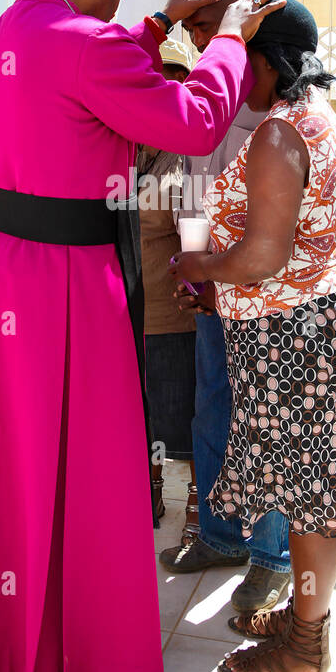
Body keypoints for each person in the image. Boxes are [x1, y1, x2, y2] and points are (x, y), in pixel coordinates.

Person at [0, 0, 284, 672]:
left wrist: (158, 19)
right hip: (64, 282)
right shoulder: (88, 49)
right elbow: (193, 118)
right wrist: (229, 38)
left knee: (11, 465)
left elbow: (81, 68)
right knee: (82, 471)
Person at [171, 0, 336, 672]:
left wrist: (199, 266)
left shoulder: (280, 135)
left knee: (314, 496)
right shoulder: (317, 122)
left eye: (240, 60)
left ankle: (305, 644)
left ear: (267, 61)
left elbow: (261, 256)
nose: (231, 75)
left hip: (299, 335)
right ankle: (303, 619)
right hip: (305, 323)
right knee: (307, 486)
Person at [160, 0, 291, 617]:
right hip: (212, 296)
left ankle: (273, 559)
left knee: (263, 427)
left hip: (267, 300)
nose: (201, 41)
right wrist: (192, 268)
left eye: (209, 26)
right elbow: (191, 190)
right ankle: (218, 535)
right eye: (193, 28)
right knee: (213, 413)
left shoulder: (285, 107)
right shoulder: (202, 95)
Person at [135, 36, 198, 526]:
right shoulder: (121, 144)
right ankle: (150, 490)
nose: (168, 91)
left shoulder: (191, 155)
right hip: (122, 312)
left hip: (172, 314)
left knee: (184, 413)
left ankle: (200, 497)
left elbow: (197, 237)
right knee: (138, 417)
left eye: (177, 80)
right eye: (158, 80)